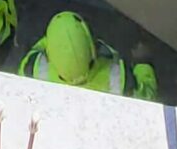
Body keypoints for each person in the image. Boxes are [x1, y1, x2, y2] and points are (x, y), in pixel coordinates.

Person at [18, 10, 159, 100]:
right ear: (92, 48)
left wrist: (59, 40)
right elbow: (147, 96)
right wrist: (143, 62)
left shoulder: (31, 69)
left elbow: (42, 47)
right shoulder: (121, 81)